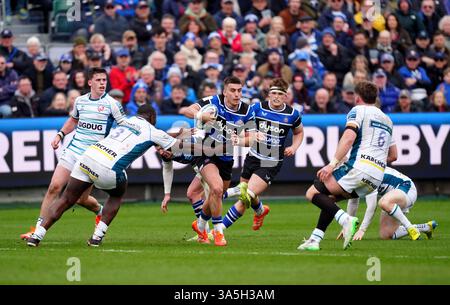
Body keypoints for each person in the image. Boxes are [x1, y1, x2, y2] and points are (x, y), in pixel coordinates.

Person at [26, 105, 179, 247]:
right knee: (117, 193)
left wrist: (175, 134)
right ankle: (97, 237)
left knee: (66, 199)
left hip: (87, 158)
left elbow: (152, 135)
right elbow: (175, 145)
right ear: (152, 118)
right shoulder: (153, 131)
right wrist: (200, 147)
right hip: (107, 167)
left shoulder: (126, 121)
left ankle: (37, 236)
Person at [20, 68, 129, 241]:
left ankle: (100, 211)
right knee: (54, 187)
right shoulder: (80, 101)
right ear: (90, 82)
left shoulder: (112, 104)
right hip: (73, 150)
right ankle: (37, 229)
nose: (102, 83)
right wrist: (60, 134)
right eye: (98, 80)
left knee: (80, 199)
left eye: (104, 80)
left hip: (92, 157)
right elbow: (73, 120)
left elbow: (125, 127)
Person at [298, 81, 398, 251]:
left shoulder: (358, 110)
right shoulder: (388, 120)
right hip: (376, 176)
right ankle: (315, 240)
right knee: (329, 200)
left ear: (357, 97)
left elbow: (349, 138)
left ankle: (346, 220)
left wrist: (332, 164)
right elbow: (394, 156)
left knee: (312, 193)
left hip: (359, 167)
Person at [179, 76, 255, 246]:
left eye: (239, 91)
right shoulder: (213, 101)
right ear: (224, 91)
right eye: (233, 90)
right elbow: (187, 110)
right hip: (205, 152)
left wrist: (239, 141)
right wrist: (201, 115)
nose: (237, 94)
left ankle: (199, 225)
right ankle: (218, 232)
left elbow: (252, 138)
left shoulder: (247, 110)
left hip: (226, 157)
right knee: (216, 187)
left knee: (216, 195)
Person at [221, 78, 304, 232]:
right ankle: (260, 210)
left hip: (271, 162)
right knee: (248, 194)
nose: (276, 96)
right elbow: (244, 124)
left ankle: (218, 230)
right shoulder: (257, 108)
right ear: (268, 94)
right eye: (273, 93)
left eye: (280, 93)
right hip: (253, 157)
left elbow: (299, 132)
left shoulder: (293, 114)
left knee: (244, 195)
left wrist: (294, 146)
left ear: (286, 96)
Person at [339, 167, 437, 241]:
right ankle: (426, 227)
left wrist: (362, 230)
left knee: (383, 202)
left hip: (407, 189)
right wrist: (347, 226)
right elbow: (353, 201)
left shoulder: (367, 174)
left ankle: (410, 227)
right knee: (386, 234)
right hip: (392, 198)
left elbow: (371, 206)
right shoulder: (356, 175)